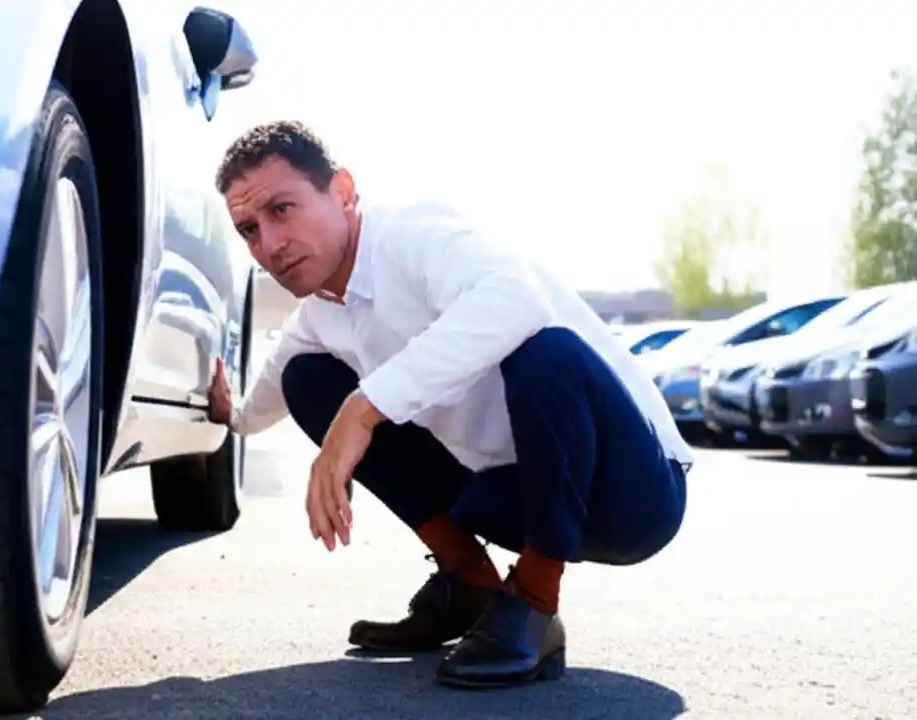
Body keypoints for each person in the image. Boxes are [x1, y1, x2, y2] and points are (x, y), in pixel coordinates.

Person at [206, 120, 692, 689]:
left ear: (340, 191)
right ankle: (469, 581)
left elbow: (517, 302)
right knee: (307, 380)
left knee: (546, 351)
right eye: (249, 230)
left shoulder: (415, 234)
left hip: (634, 497)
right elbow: (265, 400)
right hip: (511, 500)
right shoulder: (318, 316)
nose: (269, 244)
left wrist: (363, 409)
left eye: (282, 210)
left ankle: (535, 601)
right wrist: (230, 416)